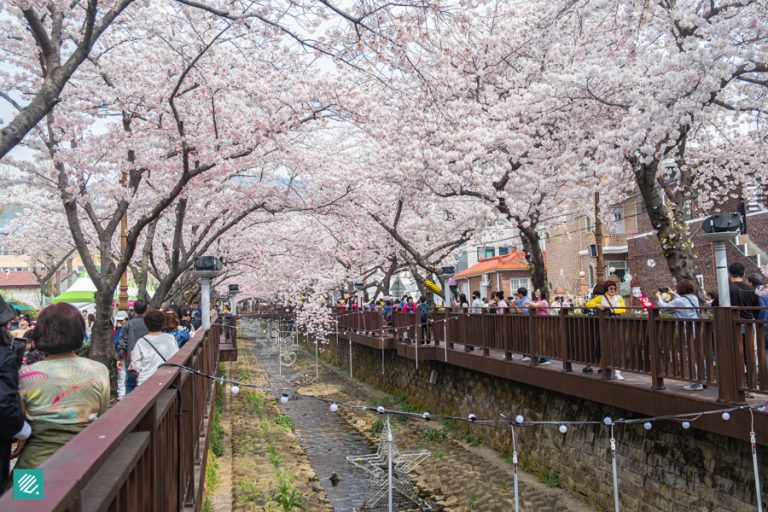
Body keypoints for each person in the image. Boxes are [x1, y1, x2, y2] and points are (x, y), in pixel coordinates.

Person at [14, 303, 109, 470]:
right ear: (79, 332)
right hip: (84, 461)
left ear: (41, 334)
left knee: (23, 488)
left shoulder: (25, 375)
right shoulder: (98, 370)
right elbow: (102, 413)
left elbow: (20, 419)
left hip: (35, 462)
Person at [0, 295, 31, 493]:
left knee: (27, 499)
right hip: (36, 453)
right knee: (31, 503)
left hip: (32, 461)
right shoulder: (97, 371)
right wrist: (23, 431)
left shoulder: (30, 374)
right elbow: (4, 404)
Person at [656, 279, 703, 390]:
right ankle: (702, 379)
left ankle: (696, 384)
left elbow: (664, 308)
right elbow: (684, 302)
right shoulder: (694, 298)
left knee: (690, 356)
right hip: (696, 329)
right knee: (697, 355)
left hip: (686, 330)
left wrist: (658, 297)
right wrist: (674, 294)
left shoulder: (678, 301)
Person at [585, 279, 626, 380]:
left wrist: (611, 310)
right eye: (611, 288)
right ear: (607, 288)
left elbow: (623, 309)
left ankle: (617, 371)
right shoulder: (601, 297)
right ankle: (607, 368)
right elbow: (587, 304)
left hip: (617, 324)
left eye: (614, 288)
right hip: (605, 326)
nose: (613, 290)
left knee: (617, 347)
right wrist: (597, 305)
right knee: (606, 347)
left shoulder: (619, 298)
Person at [129, 309, 180, 387]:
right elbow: (176, 357)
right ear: (162, 323)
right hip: (166, 380)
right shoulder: (170, 338)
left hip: (146, 381)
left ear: (146, 324)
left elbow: (135, 364)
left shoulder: (141, 342)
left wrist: (143, 370)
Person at [116, 299, 149, 395]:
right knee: (146, 385)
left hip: (131, 360)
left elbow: (122, 342)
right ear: (146, 309)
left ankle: (130, 404)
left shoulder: (128, 324)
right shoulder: (149, 323)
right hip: (148, 358)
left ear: (134, 309)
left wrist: (119, 358)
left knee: (130, 385)